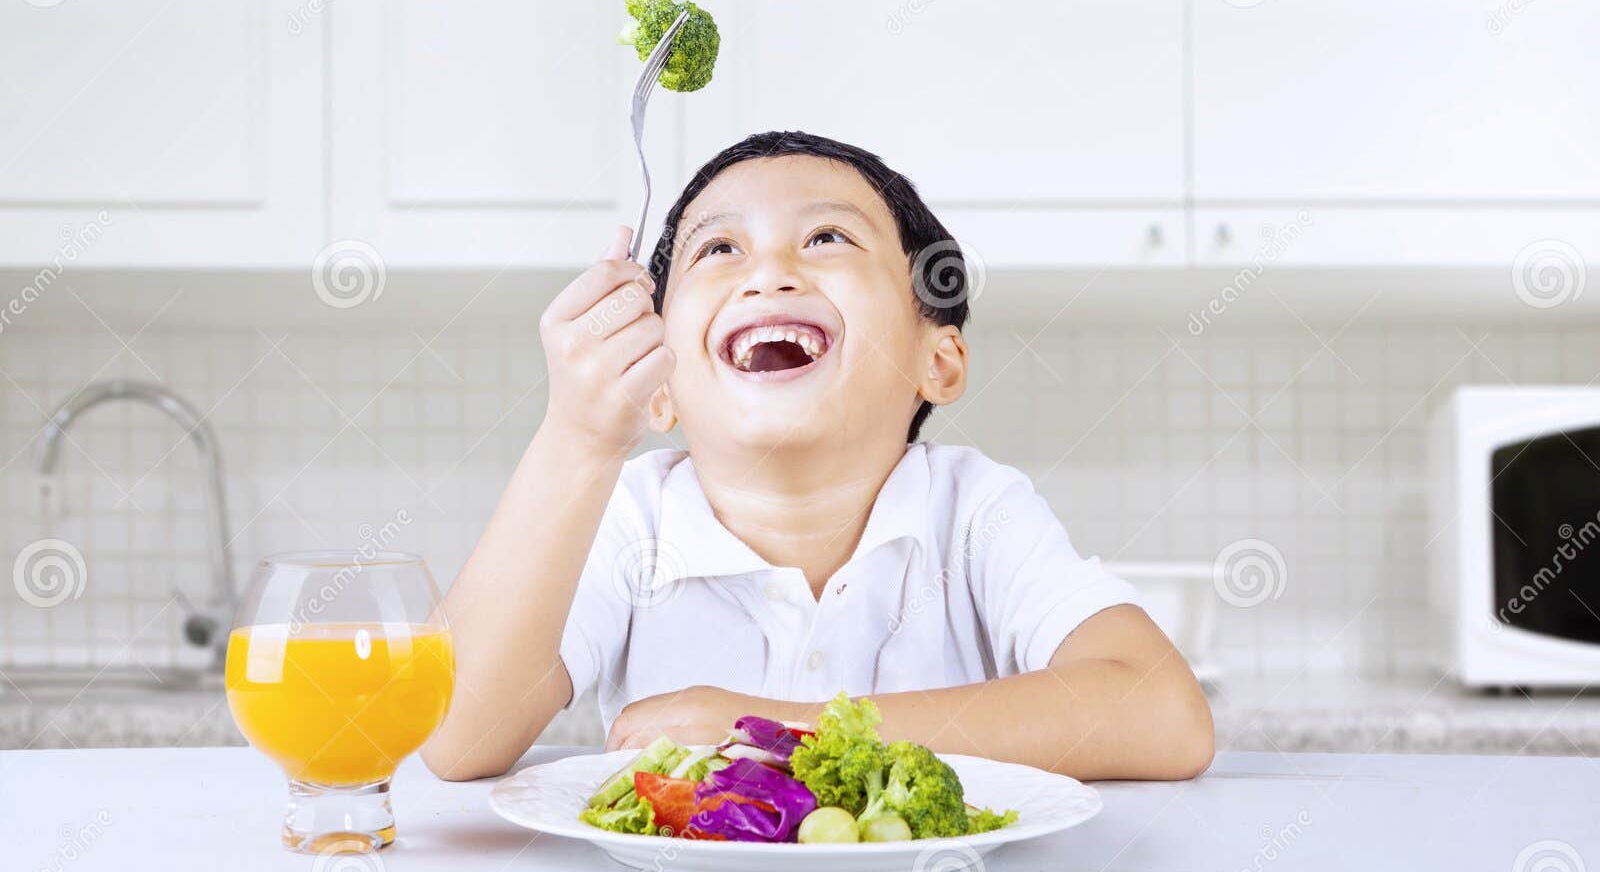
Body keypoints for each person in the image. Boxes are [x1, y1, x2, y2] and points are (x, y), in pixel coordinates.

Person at [423, 131, 1213, 782]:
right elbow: (456, 737)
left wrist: (777, 730)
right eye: (720, 247)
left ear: (936, 360)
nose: (770, 271)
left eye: (827, 237)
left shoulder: (975, 511)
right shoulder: (632, 517)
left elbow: (1163, 715)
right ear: (660, 381)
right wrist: (579, 435)